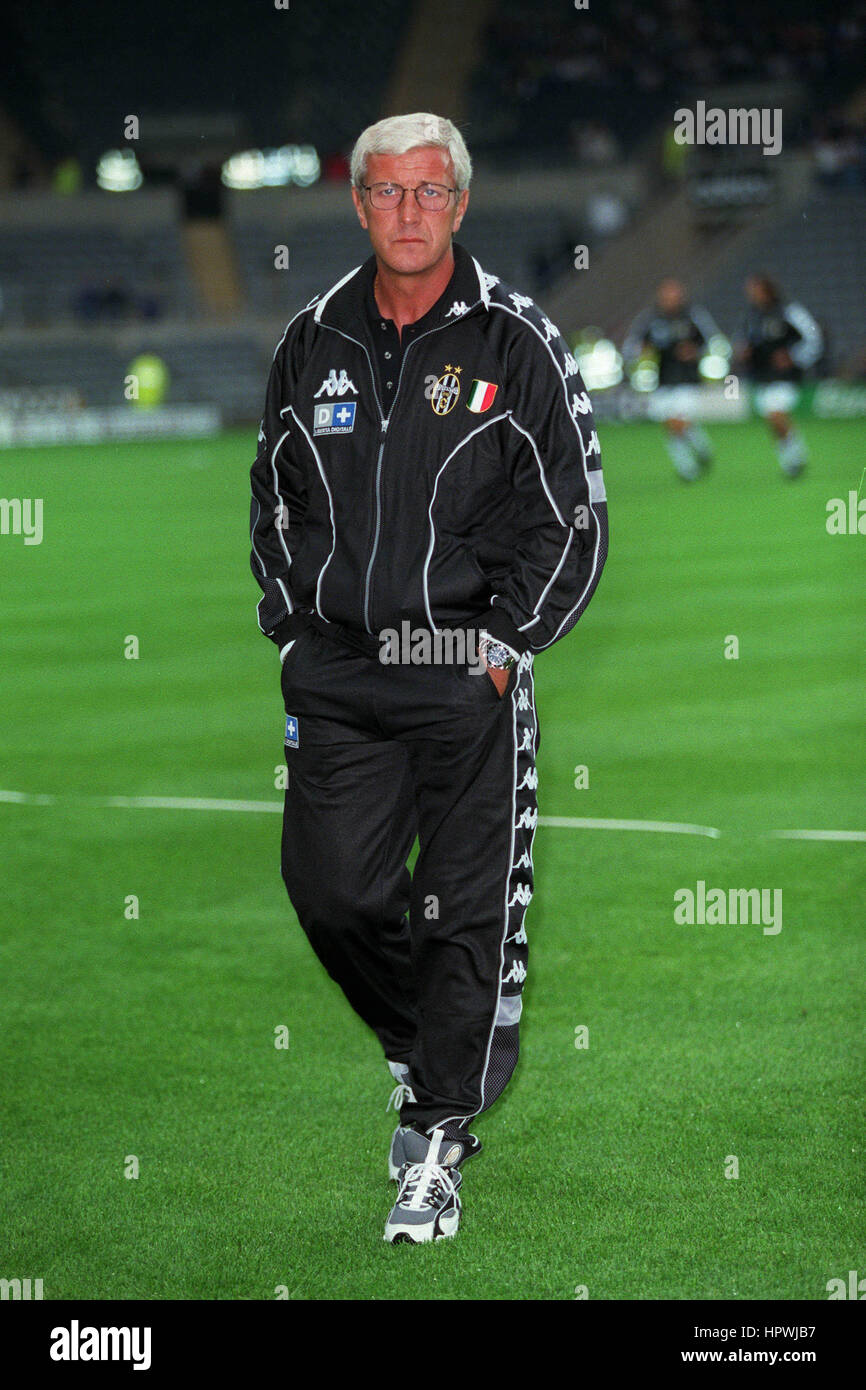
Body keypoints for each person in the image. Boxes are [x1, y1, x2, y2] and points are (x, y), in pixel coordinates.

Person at [249, 113, 608, 1244]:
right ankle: (424, 1046)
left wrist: (502, 653)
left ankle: (437, 1138)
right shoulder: (311, 342)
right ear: (358, 204)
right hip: (341, 676)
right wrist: (292, 635)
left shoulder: (516, 341)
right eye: (386, 192)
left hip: (464, 674)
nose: (407, 211)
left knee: (458, 912)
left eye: (427, 191)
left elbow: (575, 519)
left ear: (457, 203)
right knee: (334, 895)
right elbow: (272, 503)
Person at [623, 278, 719, 481]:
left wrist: (695, 350)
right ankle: (701, 450)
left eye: (674, 296)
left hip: (688, 379)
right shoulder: (650, 319)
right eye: (667, 296)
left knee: (676, 424)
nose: (670, 300)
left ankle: (687, 469)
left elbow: (713, 340)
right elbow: (631, 345)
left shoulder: (694, 315)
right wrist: (641, 351)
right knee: (671, 425)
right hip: (663, 379)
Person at [737, 274, 823, 479]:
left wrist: (793, 357)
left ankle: (794, 460)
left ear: (768, 290)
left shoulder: (790, 311)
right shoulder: (752, 316)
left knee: (776, 415)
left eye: (755, 290)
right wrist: (744, 352)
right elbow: (743, 341)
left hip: (787, 375)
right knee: (773, 420)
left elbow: (814, 337)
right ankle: (793, 459)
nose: (752, 295)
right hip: (762, 377)